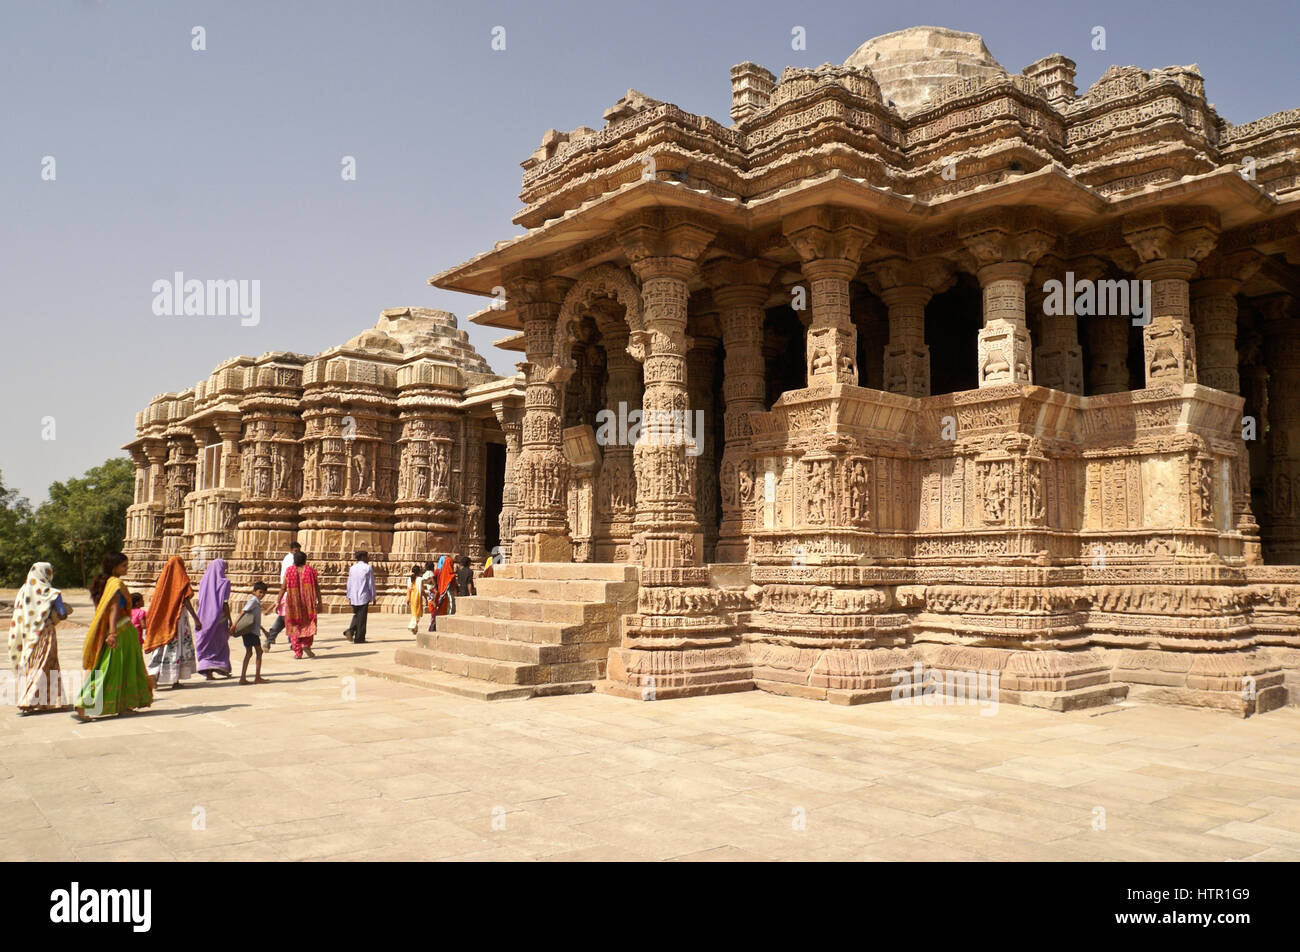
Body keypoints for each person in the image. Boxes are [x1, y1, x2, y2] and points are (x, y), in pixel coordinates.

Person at [74, 552, 152, 721]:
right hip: (121, 631)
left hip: (122, 631)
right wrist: (112, 633)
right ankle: (84, 703)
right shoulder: (116, 584)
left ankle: (123, 706)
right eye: (124, 566)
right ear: (114, 567)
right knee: (108, 669)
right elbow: (114, 609)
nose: (126, 568)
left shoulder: (106, 583)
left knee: (123, 669)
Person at [8, 562, 72, 714]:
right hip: (45, 633)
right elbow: (62, 614)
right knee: (45, 665)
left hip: (26, 635)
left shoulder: (23, 591)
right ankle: (27, 699)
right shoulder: (52, 593)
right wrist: (63, 609)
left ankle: (50, 701)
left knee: (34, 666)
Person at [143, 555, 199, 691]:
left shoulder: (163, 580)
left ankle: (159, 677)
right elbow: (186, 600)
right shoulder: (181, 580)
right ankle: (171, 679)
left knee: (163, 649)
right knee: (177, 648)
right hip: (178, 620)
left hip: (164, 621)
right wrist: (196, 619)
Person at [193, 558, 233, 680]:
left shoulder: (204, 581)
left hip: (203, 616)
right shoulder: (224, 582)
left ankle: (208, 671)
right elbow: (225, 603)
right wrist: (230, 619)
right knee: (221, 643)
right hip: (219, 618)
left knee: (206, 642)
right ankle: (221, 666)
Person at [283, 550, 320, 660]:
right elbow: (317, 588)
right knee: (309, 623)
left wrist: (277, 600)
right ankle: (306, 645)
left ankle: (298, 652)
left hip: (293, 603)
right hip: (308, 603)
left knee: (294, 626)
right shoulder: (311, 571)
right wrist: (320, 601)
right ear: (305, 560)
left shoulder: (289, 571)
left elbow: (283, 587)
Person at [264, 541, 301, 649]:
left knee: (283, 620)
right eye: (296, 550)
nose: (297, 552)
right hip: (290, 595)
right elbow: (285, 585)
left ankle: (272, 640)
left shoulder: (289, 561)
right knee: (287, 621)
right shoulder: (291, 563)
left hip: (287, 594)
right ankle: (291, 641)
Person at [232, 581, 270, 685]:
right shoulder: (253, 601)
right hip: (251, 631)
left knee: (249, 653)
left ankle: (243, 678)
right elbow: (243, 612)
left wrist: (264, 630)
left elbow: (254, 620)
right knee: (258, 652)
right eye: (260, 592)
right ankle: (256, 677)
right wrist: (234, 625)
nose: (262, 595)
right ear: (254, 592)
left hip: (251, 630)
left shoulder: (255, 601)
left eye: (263, 593)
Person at [343, 550, 375, 644]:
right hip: (364, 595)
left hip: (354, 595)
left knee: (357, 615)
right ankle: (359, 637)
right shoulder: (367, 568)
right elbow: (371, 584)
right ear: (363, 557)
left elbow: (349, 582)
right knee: (362, 617)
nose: (368, 558)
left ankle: (351, 631)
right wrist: (373, 596)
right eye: (367, 556)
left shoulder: (352, 568)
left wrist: (348, 595)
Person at [406, 565, 423, 633]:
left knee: (414, 613)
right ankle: (412, 626)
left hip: (412, 597)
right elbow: (422, 589)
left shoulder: (409, 579)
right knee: (417, 613)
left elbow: (408, 590)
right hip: (418, 597)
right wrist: (425, 597)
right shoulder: (420, 579)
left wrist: (408, 599)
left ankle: (415, 629)